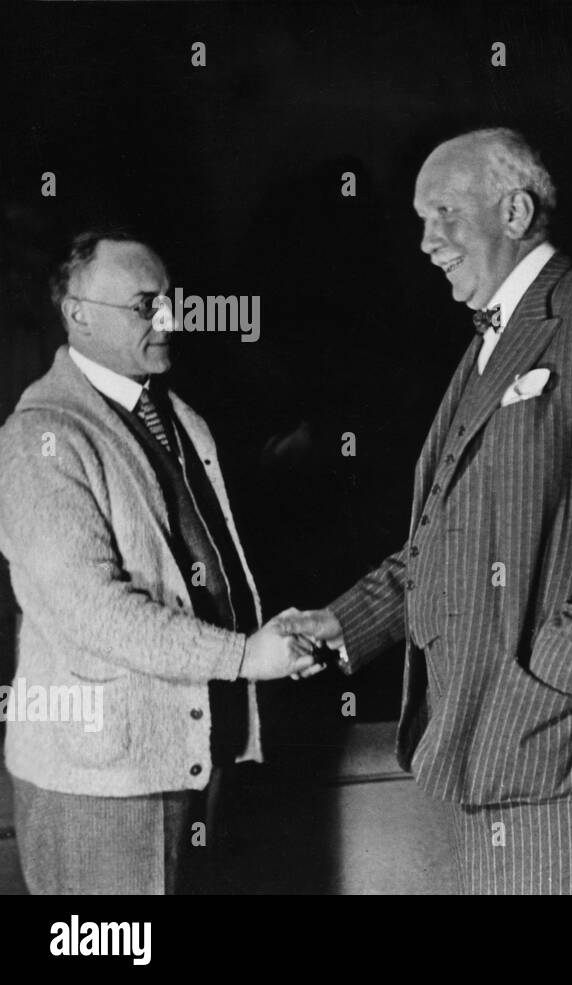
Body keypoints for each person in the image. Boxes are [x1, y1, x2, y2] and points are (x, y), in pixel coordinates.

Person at [281, 128, 572, 895]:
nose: (427, 240)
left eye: (444, 212)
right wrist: (346, 622)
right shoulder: (497, 336)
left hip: (560, 746)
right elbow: (448, 536)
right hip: (500, 743)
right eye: (420, 219)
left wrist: (549, 686)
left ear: (515, 211)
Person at [0, 229, 313, 895]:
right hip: (102, 786)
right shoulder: (40, 438)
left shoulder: (176, 415)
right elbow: (94, 611)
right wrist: (245, 656)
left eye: (173, 301)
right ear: (78, 314)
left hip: (193, 761)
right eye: (147, 305)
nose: (170, 319)